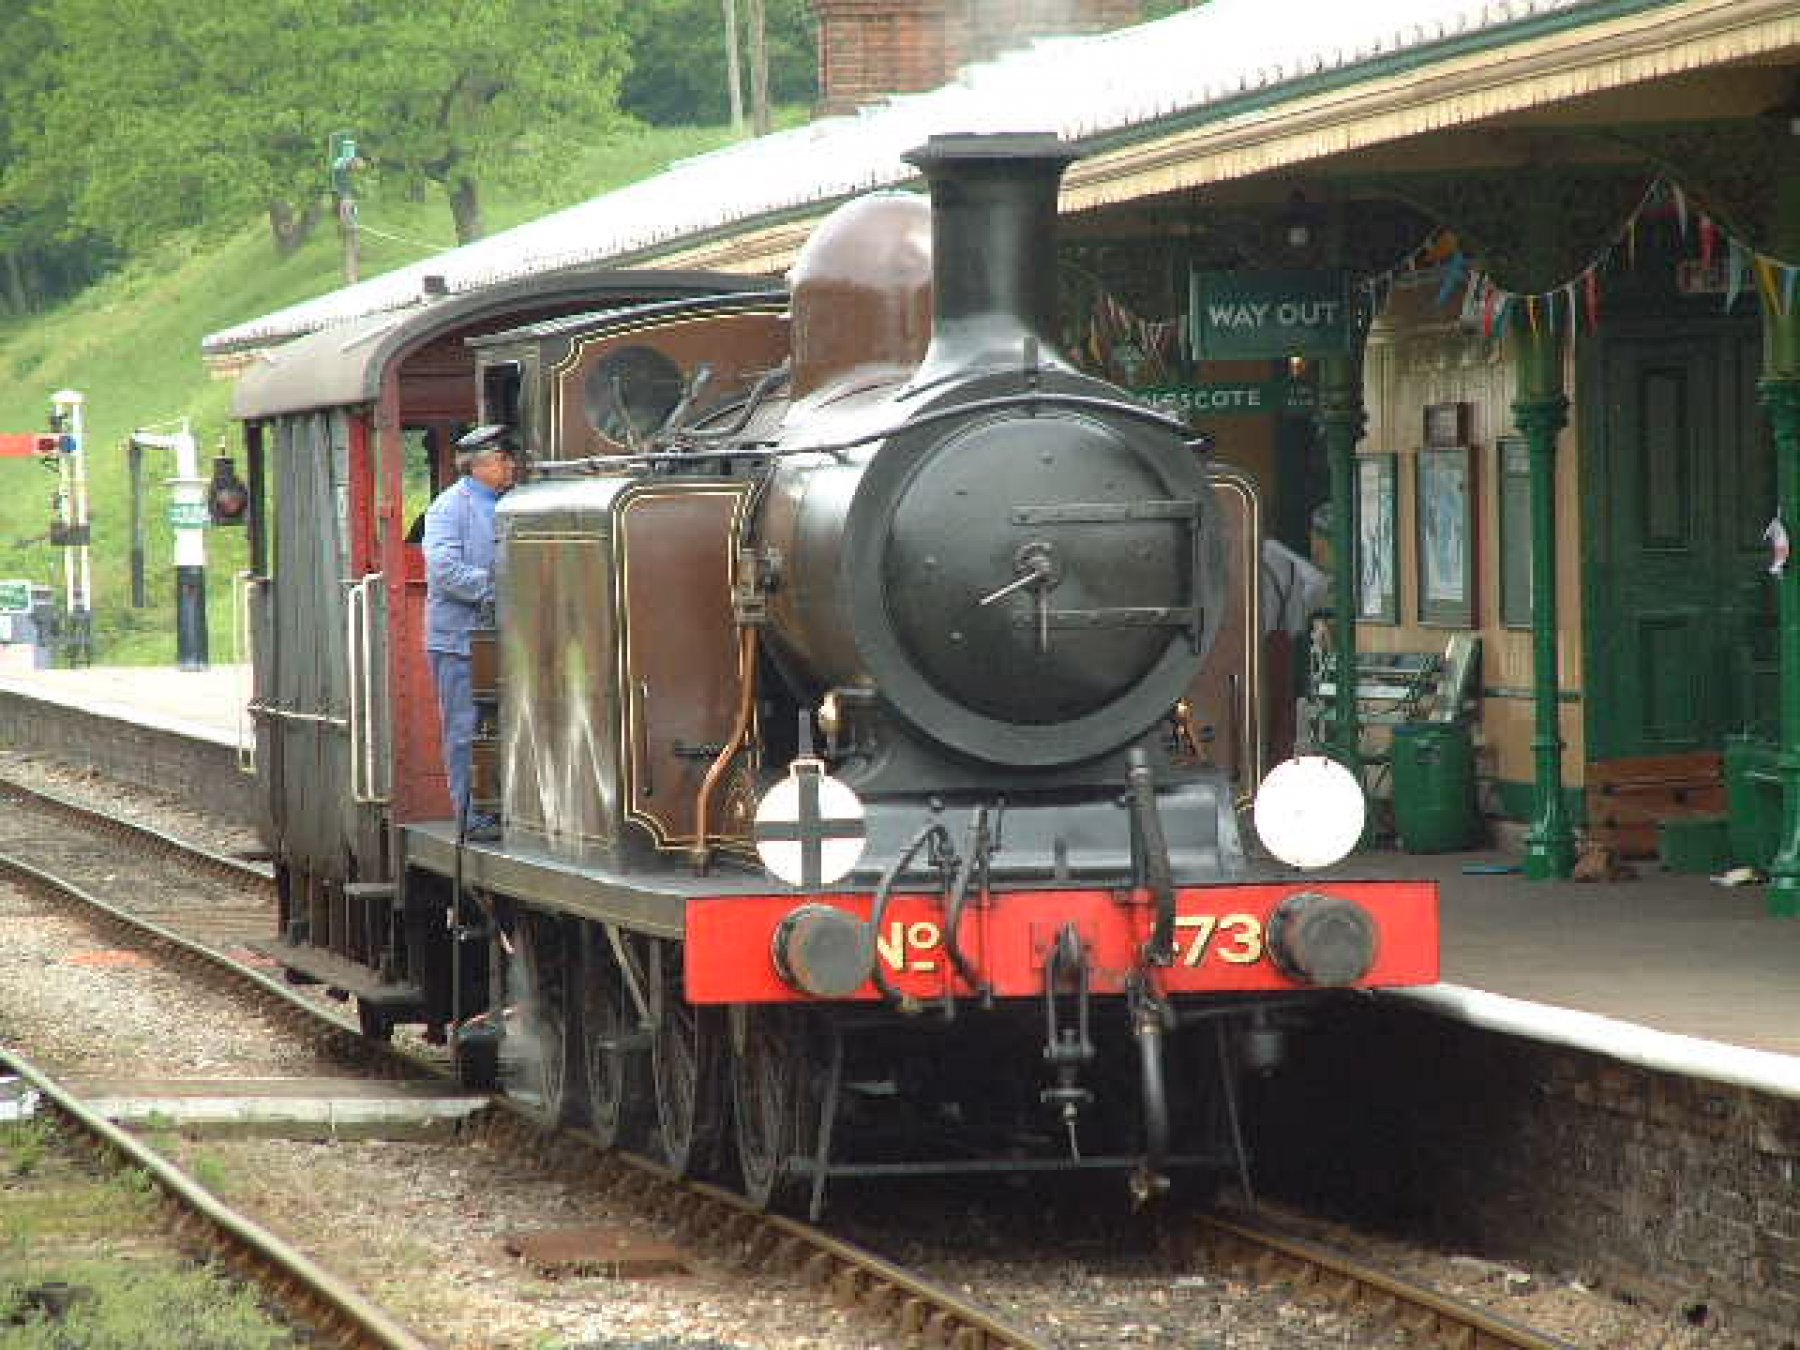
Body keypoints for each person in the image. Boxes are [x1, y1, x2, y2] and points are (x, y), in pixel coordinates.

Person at [423, 425, 516, 837]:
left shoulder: (511, 503)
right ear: (479, 466)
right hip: (460, 639)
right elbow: (444, 571)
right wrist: (497, 589)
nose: (512, 466)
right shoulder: (449, 508)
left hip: (504, 639)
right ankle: (469, 815)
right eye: (504, 460)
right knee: (465, 730)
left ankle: (502, 807)